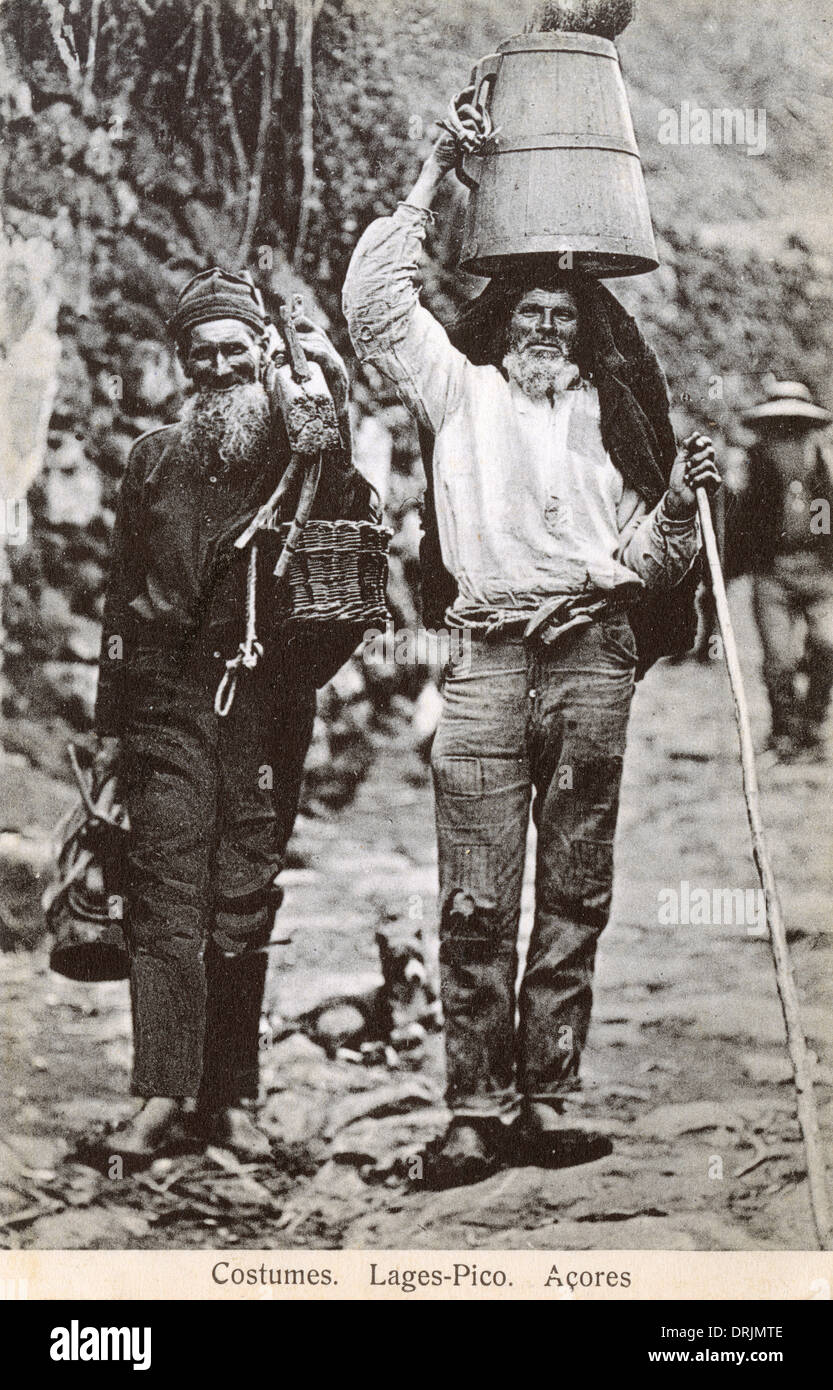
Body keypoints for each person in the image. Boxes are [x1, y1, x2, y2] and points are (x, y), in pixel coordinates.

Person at [343, 117, 720, 1188]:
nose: (546, 326)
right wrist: (433, 176)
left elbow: (643, 563)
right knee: (473, 891)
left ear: (583, 333)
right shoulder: (460, 394)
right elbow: (376, 303)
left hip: (591, 654)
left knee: (573, 884)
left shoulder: (611, 417)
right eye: (530, 311)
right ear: (501, 322)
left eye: (563, 315)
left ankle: (545, 1096)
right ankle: (471, 1108)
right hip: (487, 660)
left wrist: (682, 509)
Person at [89, 267, 377, 1169]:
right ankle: (160, 1097)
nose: (217, 370)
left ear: (261, 355)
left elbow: (351, 528)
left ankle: (229, 1100)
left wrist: (325, 403)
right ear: (181, 364)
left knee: (241, 902)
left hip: (264, 708)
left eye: (233, 352)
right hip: (167, 706)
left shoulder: (299, 450)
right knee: (166, 899)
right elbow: (118, 597)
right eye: (200, 356)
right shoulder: (152, 459)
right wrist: (109, 727)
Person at [727, 381, 833, 761]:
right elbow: (740, 524)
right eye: (780, 424)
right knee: (779, 658)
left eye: (795, 424)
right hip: (773, 573)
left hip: (819, 573)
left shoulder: (822, 463)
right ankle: (785, 732)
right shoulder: (753, 466)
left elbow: (824, 518)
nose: (788, 431)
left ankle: (812, 726)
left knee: (828, 645)